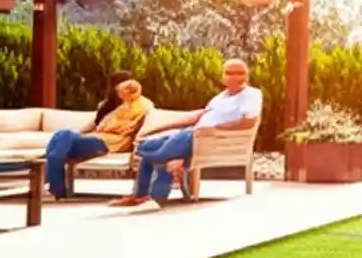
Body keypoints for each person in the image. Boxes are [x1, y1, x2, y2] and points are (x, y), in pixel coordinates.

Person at [108, 58, 262, 210]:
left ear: (243, 76)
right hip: (192, 134)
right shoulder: (220, 97)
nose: (225, 76)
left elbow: (249, 121)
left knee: (157, 154)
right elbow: (201, 115)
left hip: (210, 138)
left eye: (231, 73)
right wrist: (166, 125)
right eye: (225, 72)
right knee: (147, 145)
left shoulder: (251, 95)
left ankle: (154, 196)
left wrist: (216, 128)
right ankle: (142, 195)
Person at [44, 78, 153, 200]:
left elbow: (120, 127)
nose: (118, 94)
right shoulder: (120, 105)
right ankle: (56, 186)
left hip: (107, 143)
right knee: (61, 135)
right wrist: (78, 134)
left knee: (62, 140)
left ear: (129, 90)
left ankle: (52, 182)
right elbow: (98, 124)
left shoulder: (142, 105)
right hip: (97, 137)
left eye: (120, 91)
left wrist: (105, 126)